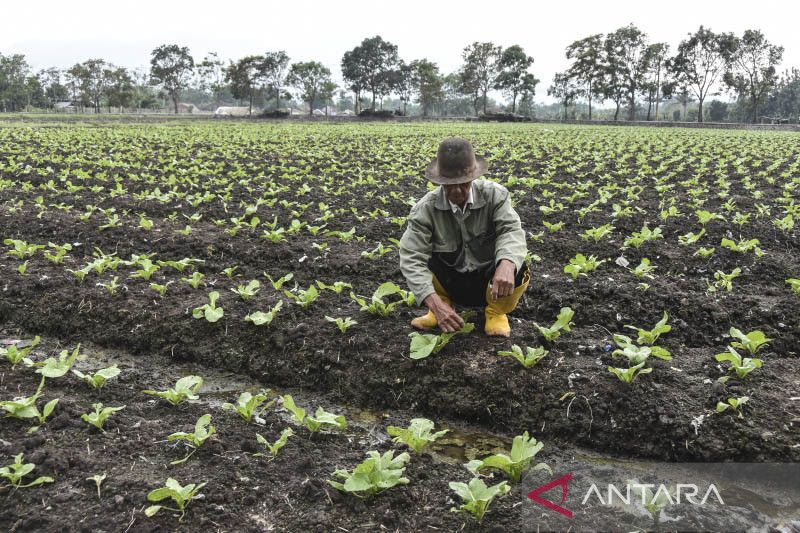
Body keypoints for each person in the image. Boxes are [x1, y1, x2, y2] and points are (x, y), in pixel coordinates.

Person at [399, 137, 529, 337]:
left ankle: (496, 312)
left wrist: (507, 263)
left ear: (473, 177)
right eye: (449, 185)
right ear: (439, 181)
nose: (457, 190)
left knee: (517, 265)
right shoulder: (425, 210)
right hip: (452, 282)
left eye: (463, 183)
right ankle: (441, 308)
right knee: (423, 258)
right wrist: (433, 303)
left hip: (490, 284)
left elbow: (511, 230)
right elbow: (411, 257)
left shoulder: (495, 196)